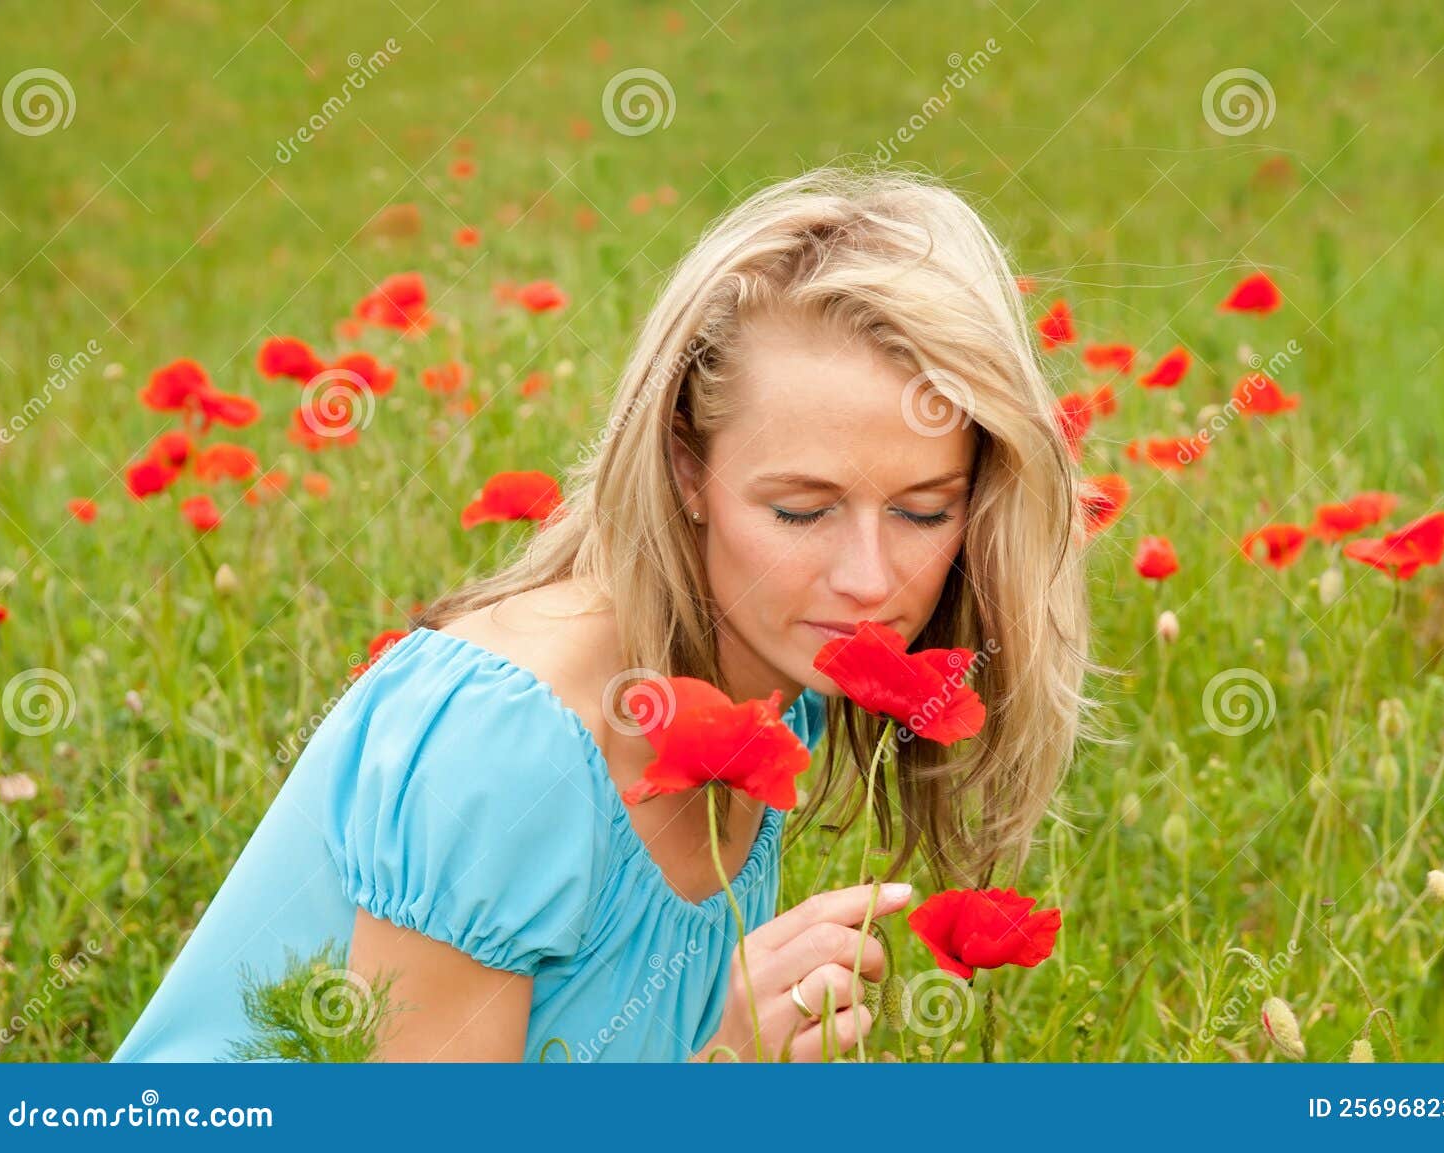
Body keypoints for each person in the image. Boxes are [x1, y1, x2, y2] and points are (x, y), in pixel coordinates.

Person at [110, 163, 1090, 1064]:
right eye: (801, 510)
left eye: (924, 510)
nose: (871, 581)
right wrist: (725, 1062)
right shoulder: (506, 744)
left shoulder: (779, 692)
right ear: (685, 468)